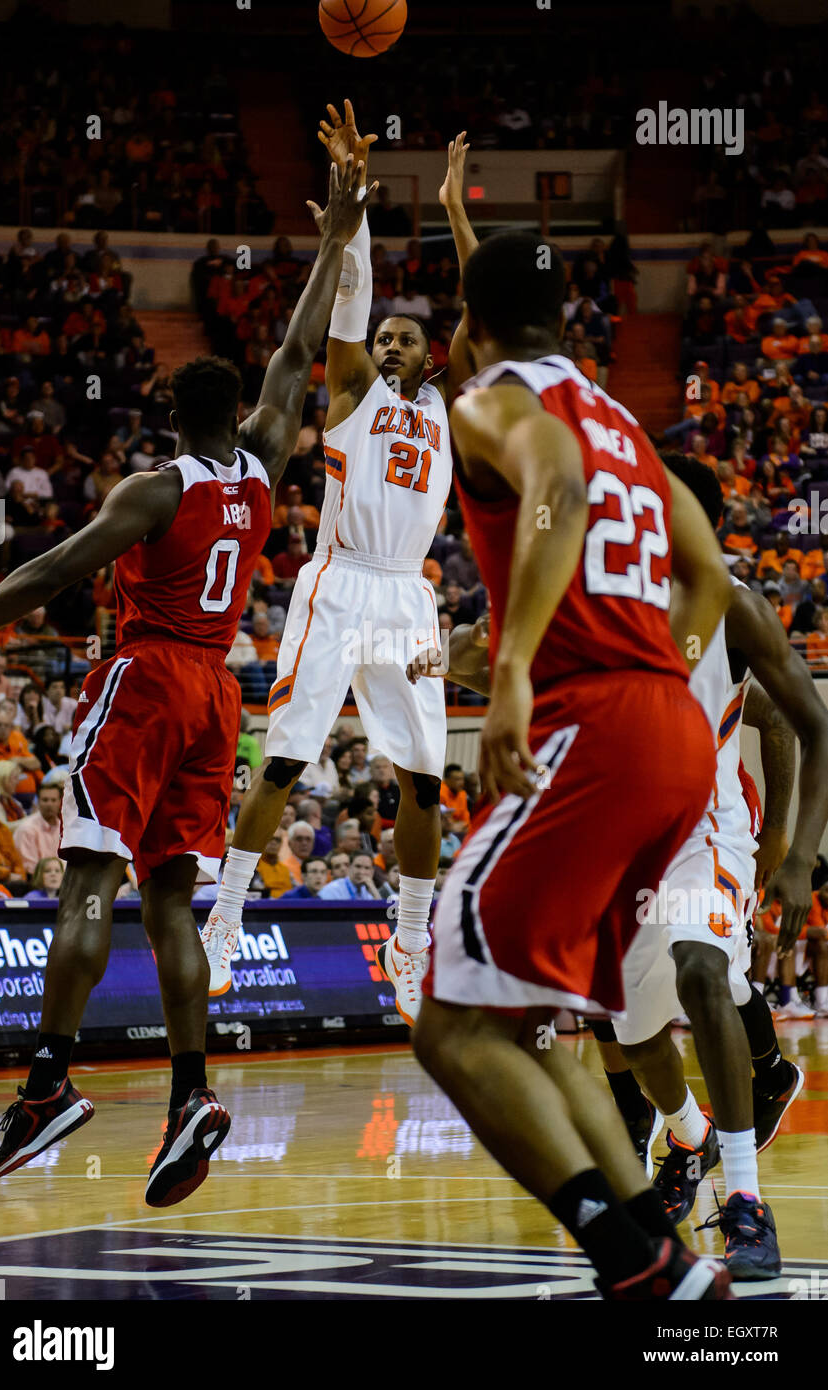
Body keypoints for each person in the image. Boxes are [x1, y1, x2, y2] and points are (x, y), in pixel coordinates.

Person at [0, 159, 370, 1204]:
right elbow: (294, 354)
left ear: (171, 416)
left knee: (88, 882)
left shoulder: (156, 488)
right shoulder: (264, 465)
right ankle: (193, 1090)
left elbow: (51, 570)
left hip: (147, 677)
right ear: (238, 412)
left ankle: (50, 1078)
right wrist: (335, 239)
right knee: (172, 904)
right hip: (219, 691)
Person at [409, 228, 733, 1301]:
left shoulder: (495, 402)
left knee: (449, 1024)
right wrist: (657, 668)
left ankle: (626, 1259)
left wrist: (511, 669)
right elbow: (708, 575)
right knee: (537, 1024)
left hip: (591, 725)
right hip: (669, 735)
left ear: (468, 323)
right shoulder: (629, 424)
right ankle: (669, 1258)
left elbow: (551, 475)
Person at [200, 105, 478, 1025]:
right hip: (338, 578)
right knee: (282, 762)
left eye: (407, 338)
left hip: (408, 595)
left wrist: (453, 208)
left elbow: (488, 313)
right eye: (383, 337)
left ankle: (407, 942)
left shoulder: (448, 403)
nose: (389, 343)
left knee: (425, 780)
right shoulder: (353, 386)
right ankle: (227, 919)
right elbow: (350, 296)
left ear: (430, 357)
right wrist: (346, 206)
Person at [594, 456, 828, 1277]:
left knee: (700, 968)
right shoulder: (598, 597)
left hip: (707, 834)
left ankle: (744, 1201)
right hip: (625, 842)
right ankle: (686, 1136)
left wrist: (794, 855)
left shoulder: (734, 607)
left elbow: (810, 725)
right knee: (633, 1035)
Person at [12, 781, 63, 875]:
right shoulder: (26, 829)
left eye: (53, 800)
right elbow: (28, 867)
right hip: (35, 881)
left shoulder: (63, 828)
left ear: (60, 802)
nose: (49, 804)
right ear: (38, 802)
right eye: (45, 800)